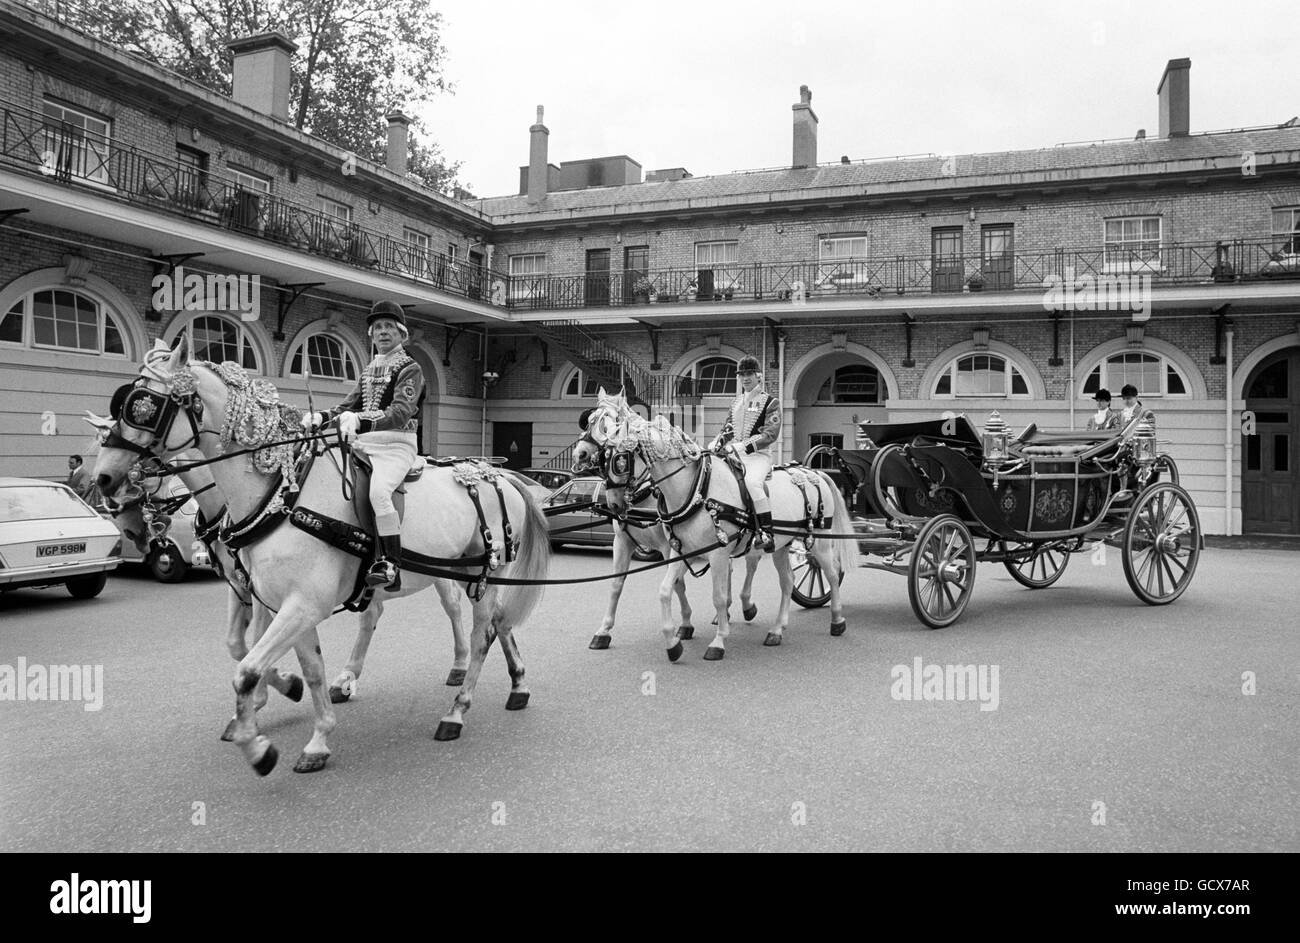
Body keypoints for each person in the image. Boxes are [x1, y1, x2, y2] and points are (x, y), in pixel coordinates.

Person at [302, 300, 425, 591]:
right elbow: (347, 405)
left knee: (380, 492)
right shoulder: (370, 369)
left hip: (396, 444)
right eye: (377, 328)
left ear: (401, 334)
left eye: (389, 327)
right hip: (366, 444)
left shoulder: (411, 367)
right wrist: (320, 417)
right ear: (371, 334)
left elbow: (400, 412)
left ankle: (390, 563)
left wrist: (359, 420)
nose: (382, 332)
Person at [710, 355, 781, 552]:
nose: (745, 378)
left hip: (758, 457)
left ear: (759, 376)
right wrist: (718, 441)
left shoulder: (771, 402)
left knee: (753, 484)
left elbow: (770, 434)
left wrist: (742, 446)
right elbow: (729, 428)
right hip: (735, 455)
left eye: (749, 374)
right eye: (741, 375)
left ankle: (767, 533)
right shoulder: (737, 402)